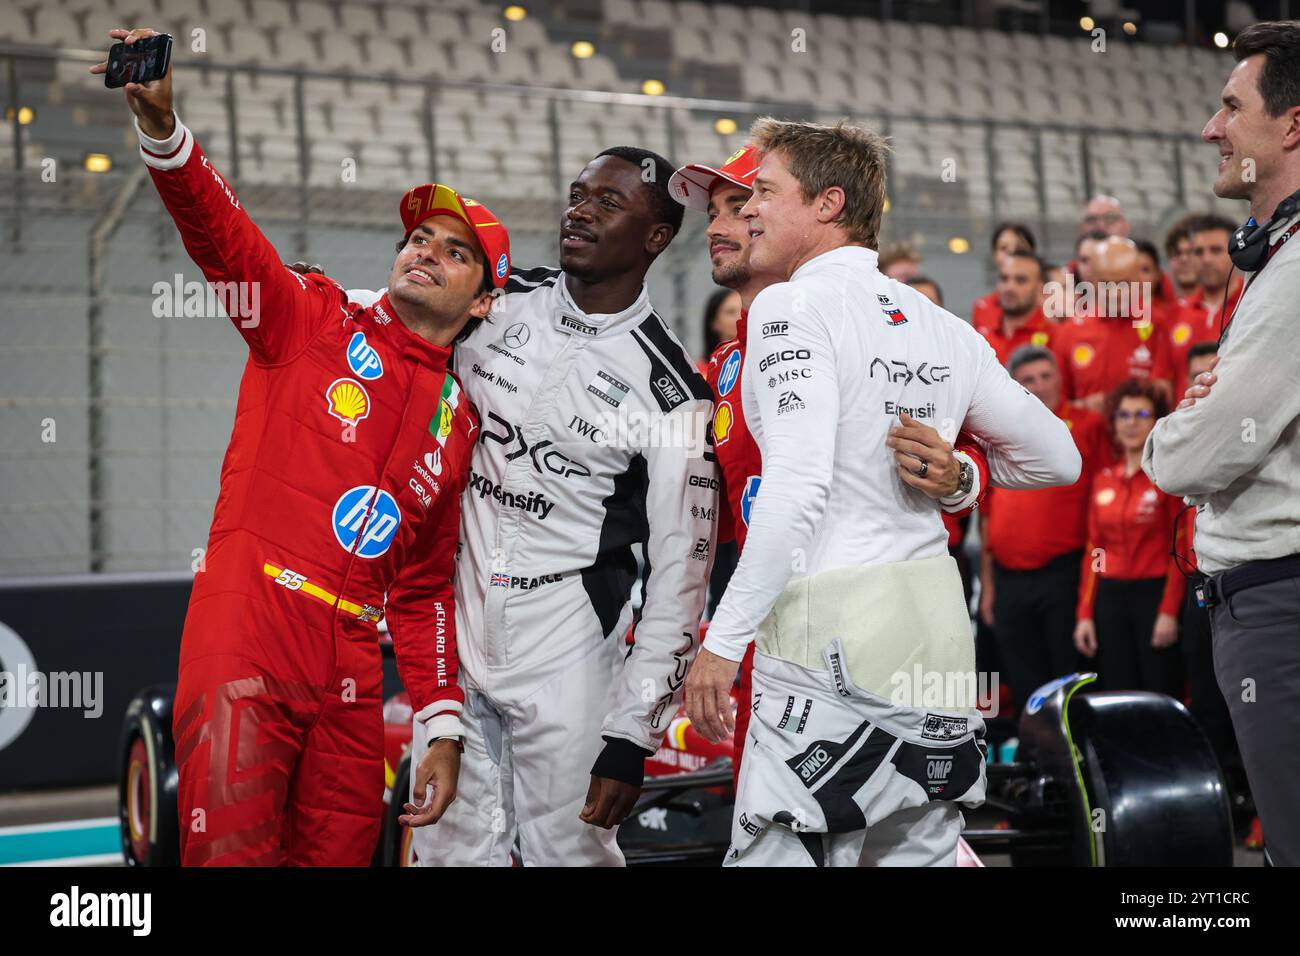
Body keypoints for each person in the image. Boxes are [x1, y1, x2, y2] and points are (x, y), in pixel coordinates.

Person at [94, 29, 508, 865]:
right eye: (419, 238)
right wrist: (166, 136)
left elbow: (424, 591)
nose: (424, 250)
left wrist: (441, 726)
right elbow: (223, 240)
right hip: (250, 623)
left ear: (484, 303)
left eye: (454, 250)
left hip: (355, 668)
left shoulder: (460, 423)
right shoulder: (311, 317)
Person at [683, 117, 1081, 867]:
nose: (749, 210)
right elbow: (1057, 458)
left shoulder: (787, 306)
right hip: (934, 635)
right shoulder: (945, 326)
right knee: (917, 856)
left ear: (829, 204)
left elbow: (797, 488)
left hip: (826, 636)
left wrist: (722, 643)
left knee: (779, 853)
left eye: (764, 192)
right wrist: (965, 479)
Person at [350, 146, 717, 866]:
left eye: (607, 204)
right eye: (577, 195)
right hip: (459, 632)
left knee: (569, 855)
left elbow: (682, 576)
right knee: (447, 848)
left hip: (571, 653)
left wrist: (631, 734)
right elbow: (389, 313)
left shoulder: (675, 391)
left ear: (656, 238)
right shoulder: (496, 298)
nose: (578, 211)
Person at [670, 145, 989, 789]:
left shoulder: (866, 326)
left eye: (742, 204)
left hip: (869, 628)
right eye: (715, 211)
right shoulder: (723, 366)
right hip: (761, 627)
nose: (721, 225)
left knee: (887, 825)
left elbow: (982, 444)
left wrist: (963, 477)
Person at [1143, 20, 1300, 867]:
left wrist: (1166, 440)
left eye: (1231, 106)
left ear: (1293, 125)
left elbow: (1201, 454)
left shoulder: (1296, 271)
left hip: (1280, 604)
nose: (1211, 127)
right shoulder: (1276, 263)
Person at [979, 346, 1112, 710]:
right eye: (1028, 380)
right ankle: (1034, 758)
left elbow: (1106, 493)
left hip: (1063, 574)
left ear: (1060, 377)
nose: (1039, 386)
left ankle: (1074, 759)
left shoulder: (1088, 425)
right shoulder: (999, 433)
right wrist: (988, 587)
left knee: (1068, 677)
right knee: (1022, 678)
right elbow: (987, 515)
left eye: (1045, 376)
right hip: (1008, 579)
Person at [1074, 380, 1185, 695]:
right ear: (1113, 423)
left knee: (1160, 689)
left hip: (1153, 596)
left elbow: (1179, 549)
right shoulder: (1102, 479)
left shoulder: (1167, 479)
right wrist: (1085, 614)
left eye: (1141, 414)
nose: (1132, 423)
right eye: (1123, 415)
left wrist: (1168, 611)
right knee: (1119, 692)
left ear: (1157, 422)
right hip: (1110, 600)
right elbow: (1095, 550)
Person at [1052, 236, 1174, 411]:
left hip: (1143, 435)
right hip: (1086, 436)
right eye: (1106, 284)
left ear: (1138, 278)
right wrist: (1083, 406)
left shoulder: (1159, 324)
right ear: (1092, 280)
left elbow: (1165, 395)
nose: (1116, 293)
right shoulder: (1069, 332)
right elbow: (1057, 403)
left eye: (1124, 283)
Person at [1166, 215, 1243, 396]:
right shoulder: (1174, 313)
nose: (1206, 259)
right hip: (1185, 419)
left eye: (1215, 250)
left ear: (1236, 252)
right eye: (1198, 252)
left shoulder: (1253, 304)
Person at [977, 250, 1053, 366]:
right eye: (1004, 279)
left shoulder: (1055, 337)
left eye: (1021, 280)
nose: (1009, 287)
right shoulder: (981, 338)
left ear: (1040, 287)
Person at [970, 222, 1037, 329]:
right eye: (1003, 248)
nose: (1011, 253)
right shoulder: (982, 307)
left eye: (1019, 248)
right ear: (994, 254)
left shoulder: (1050, 306)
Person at [1164, 213, 1202, 301]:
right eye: (1176, 253)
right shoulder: (1161, 310)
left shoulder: (1233, 306)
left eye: (1191, 252)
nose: (1183, 259)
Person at [702, 286, 742, 358]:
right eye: (730, 312)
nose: (740, 317)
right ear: (714, 323)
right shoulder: (701, 368)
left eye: (743, 310)